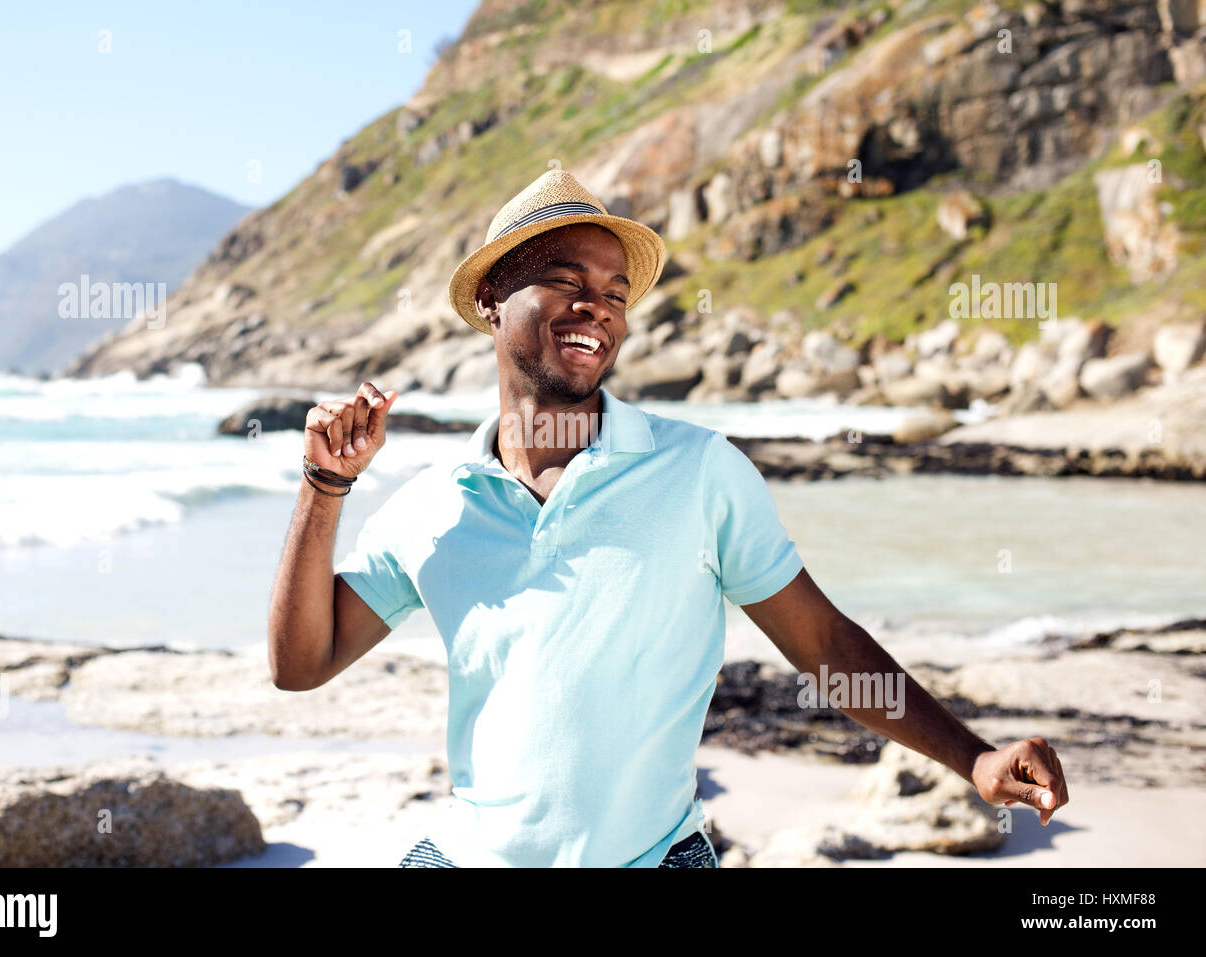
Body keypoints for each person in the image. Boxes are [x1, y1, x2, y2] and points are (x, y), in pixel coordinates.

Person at [266, 169, 1069, 868]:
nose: (598, 306)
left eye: (616, 292)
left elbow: (822, 646)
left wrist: (974, 755)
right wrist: (323, 486)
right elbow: (301, 664)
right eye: (566, 277)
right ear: (490, 298)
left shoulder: (699, 472)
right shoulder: (434, 505)